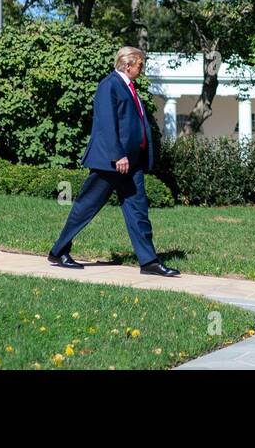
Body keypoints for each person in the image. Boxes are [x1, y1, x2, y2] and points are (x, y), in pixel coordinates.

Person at [46, 46, 179, 276]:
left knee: (138, 211)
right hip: (112, 162)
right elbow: (106, 123)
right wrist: (118, 155)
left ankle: (149, 262)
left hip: (131, 163)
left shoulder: (128, 87)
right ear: (127, 65)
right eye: (140, 65)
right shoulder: (109, 85)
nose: (142, 68)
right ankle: (58, 251)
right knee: (86, 206)